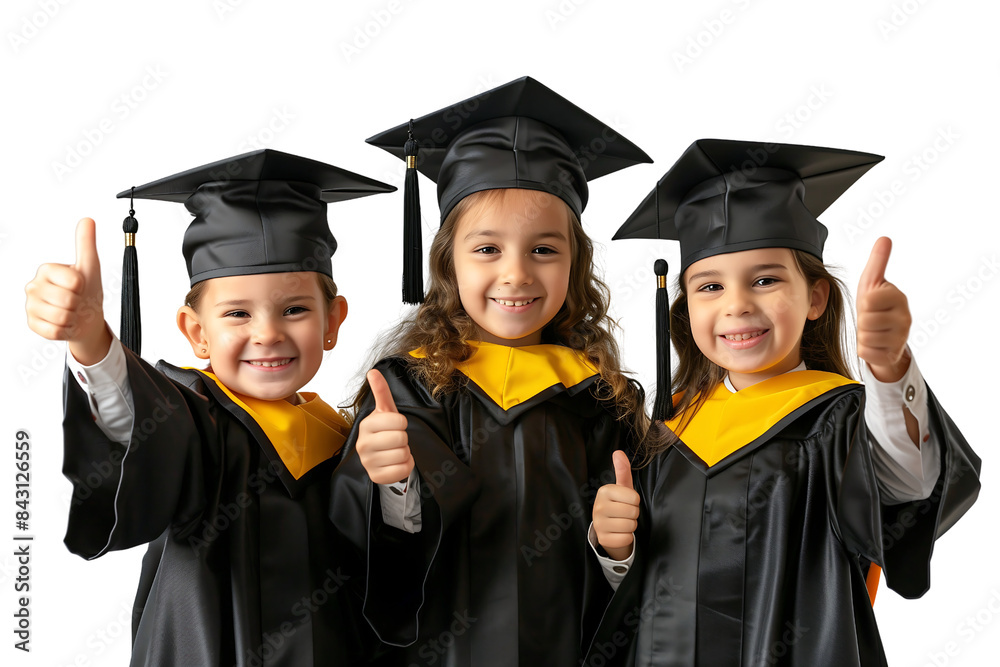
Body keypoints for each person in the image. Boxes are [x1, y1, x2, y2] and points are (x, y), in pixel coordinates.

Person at [589, 139, 981, 666]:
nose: (737, 305)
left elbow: (906, 482)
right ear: (685, 309)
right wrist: (616, 552)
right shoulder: (669, 429)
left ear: (815, 297)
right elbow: (641, 588)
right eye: (709, 286)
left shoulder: (837, 418)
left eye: (766, 279)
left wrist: (891, 370)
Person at [24, 149, 396, 666]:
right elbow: (138, 424)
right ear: (196, 333)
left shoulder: (345, 439)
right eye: (237, 313)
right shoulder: (196, 421)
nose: (267, 333)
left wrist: (397, 483)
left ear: (333, 321)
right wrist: (94, 345)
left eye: (294, 309)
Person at [329, 76, 653, 666]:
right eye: (487, 249)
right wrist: (393, 484)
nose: (517, 274)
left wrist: (618, 550)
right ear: (447, 261)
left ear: (575, 263)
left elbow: (648, 565)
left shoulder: (604, 400)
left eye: (544, 249)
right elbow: (364, 559)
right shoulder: (410, 388)